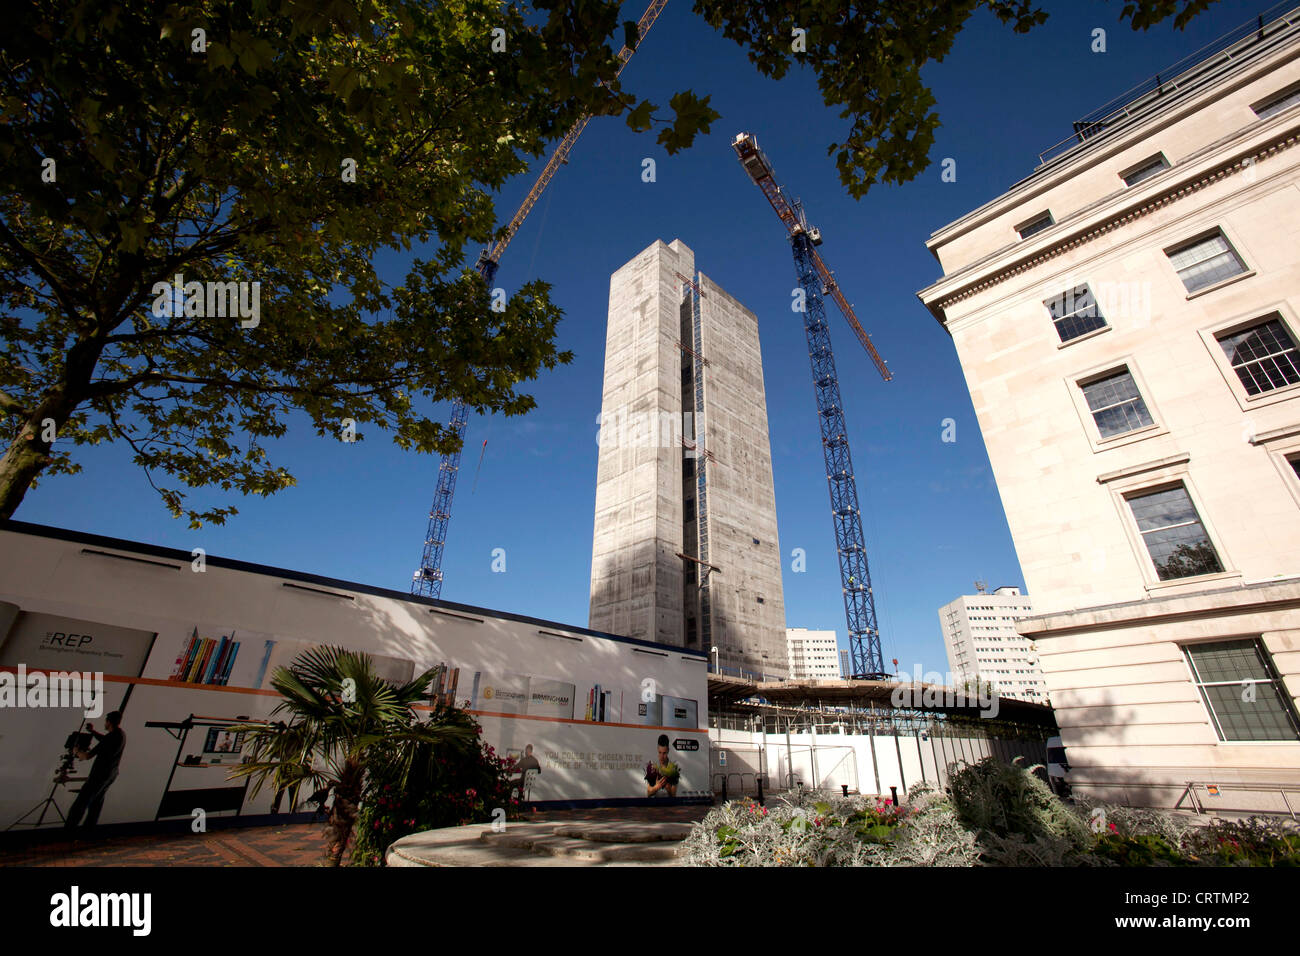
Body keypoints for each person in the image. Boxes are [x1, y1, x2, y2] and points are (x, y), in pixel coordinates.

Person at [65, 711, 126, 834]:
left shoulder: (110, 737)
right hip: (111, 775)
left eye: (106, 721)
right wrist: (92, 732)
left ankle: (68, 831)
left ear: (108, 722)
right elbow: (104, 740)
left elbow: (87, 756)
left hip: (99, 775)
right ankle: (89, 831)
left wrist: (76, 751)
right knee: (96, 804)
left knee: (81, 803)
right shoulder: (120, 734)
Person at [646, 734, 677, 798]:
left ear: (668, 750)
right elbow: (648, 793)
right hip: (655, 805)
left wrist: (668, 789)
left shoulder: (673, 768)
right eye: (660, 752)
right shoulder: (652, 766)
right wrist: (657, 787)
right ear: (657, 749)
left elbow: (674, 796)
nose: (661, 757)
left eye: (664, 753)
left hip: (669, 805)